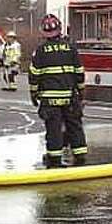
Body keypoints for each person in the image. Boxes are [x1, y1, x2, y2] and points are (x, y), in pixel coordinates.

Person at [29, 13, 87, 167]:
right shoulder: (71, 48)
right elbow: (79, 72)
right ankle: (80, 155)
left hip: (49, 99)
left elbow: (34, 75)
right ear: (60, 29)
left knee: (53, 129)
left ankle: (54, 159)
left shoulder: (40, 51)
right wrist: (81, 92)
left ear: (43, 32)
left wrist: (33, 93)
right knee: (75, 126)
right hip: (70, 97)